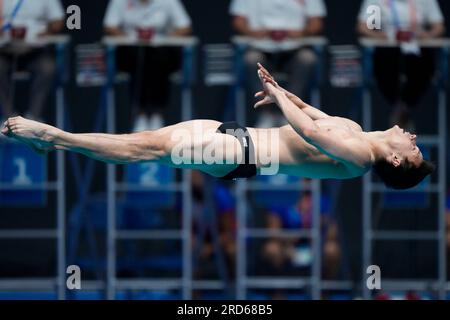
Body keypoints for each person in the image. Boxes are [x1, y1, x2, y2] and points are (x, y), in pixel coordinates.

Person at [2, 63, 435, 190]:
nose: (413, 138)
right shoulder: (357, 130)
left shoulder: (360, 158)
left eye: (414, 150)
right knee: (143, 141)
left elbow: (312, 133)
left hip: (238, 155)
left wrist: (282, 98)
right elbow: (314, 115)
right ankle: (55, 144)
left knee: (143, 149)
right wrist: (283, 91)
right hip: (235, 138)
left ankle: (54, 136)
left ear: (394, 159)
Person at [230, 0, 326, 128]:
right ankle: (265, 114)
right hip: (260, 47)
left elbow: (316, 22)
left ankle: (290, 113)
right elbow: (238, 21)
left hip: (295, 48)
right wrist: (253, 32)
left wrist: (302, 32)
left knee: (307, 59)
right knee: (251, 60)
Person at [103, 0, 192, 132]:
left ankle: (157, 114)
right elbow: (109, 26)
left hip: (161, 53)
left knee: (156, 58)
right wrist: (129, 38)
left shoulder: (169, 2)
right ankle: (140, 115)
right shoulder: (119, 2)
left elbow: (185, 27)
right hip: (130, 53)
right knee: (141, 56)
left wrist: (165, 38)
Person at [357, 0, 445, 130]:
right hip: (387, 48)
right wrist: (381, 35)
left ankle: (404, 108)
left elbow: (438, 27)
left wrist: (426, 35)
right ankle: (398, 108)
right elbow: (364, 27)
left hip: (417, 48)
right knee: (386, 61)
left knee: (423, 63)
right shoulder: (376, 2)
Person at [0, 0, 65, 122]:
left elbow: (58, 21)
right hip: (5, 49)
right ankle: (8, 118)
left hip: (35, 49)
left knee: (47, 68)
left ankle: (34, 117)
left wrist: (48, 30)